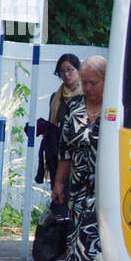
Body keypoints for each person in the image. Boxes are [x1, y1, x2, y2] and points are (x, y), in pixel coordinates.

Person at [52, 55, 111, 261]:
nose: (87, 88)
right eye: (85, 83)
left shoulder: (116, 110)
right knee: (92, 244)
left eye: (93, 83)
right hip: (79, 187)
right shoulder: (75, 107)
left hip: (108, 187)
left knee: (90, 243)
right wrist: (58, 183)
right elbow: (64, 150)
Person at [35, 54, 82, 187]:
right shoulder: (56, 98)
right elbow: (53, 122)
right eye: (62, 71)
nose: (66, 74)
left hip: (78, 154)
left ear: (78, 70)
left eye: (70, 69)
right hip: (58, 153)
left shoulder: (86, 96)